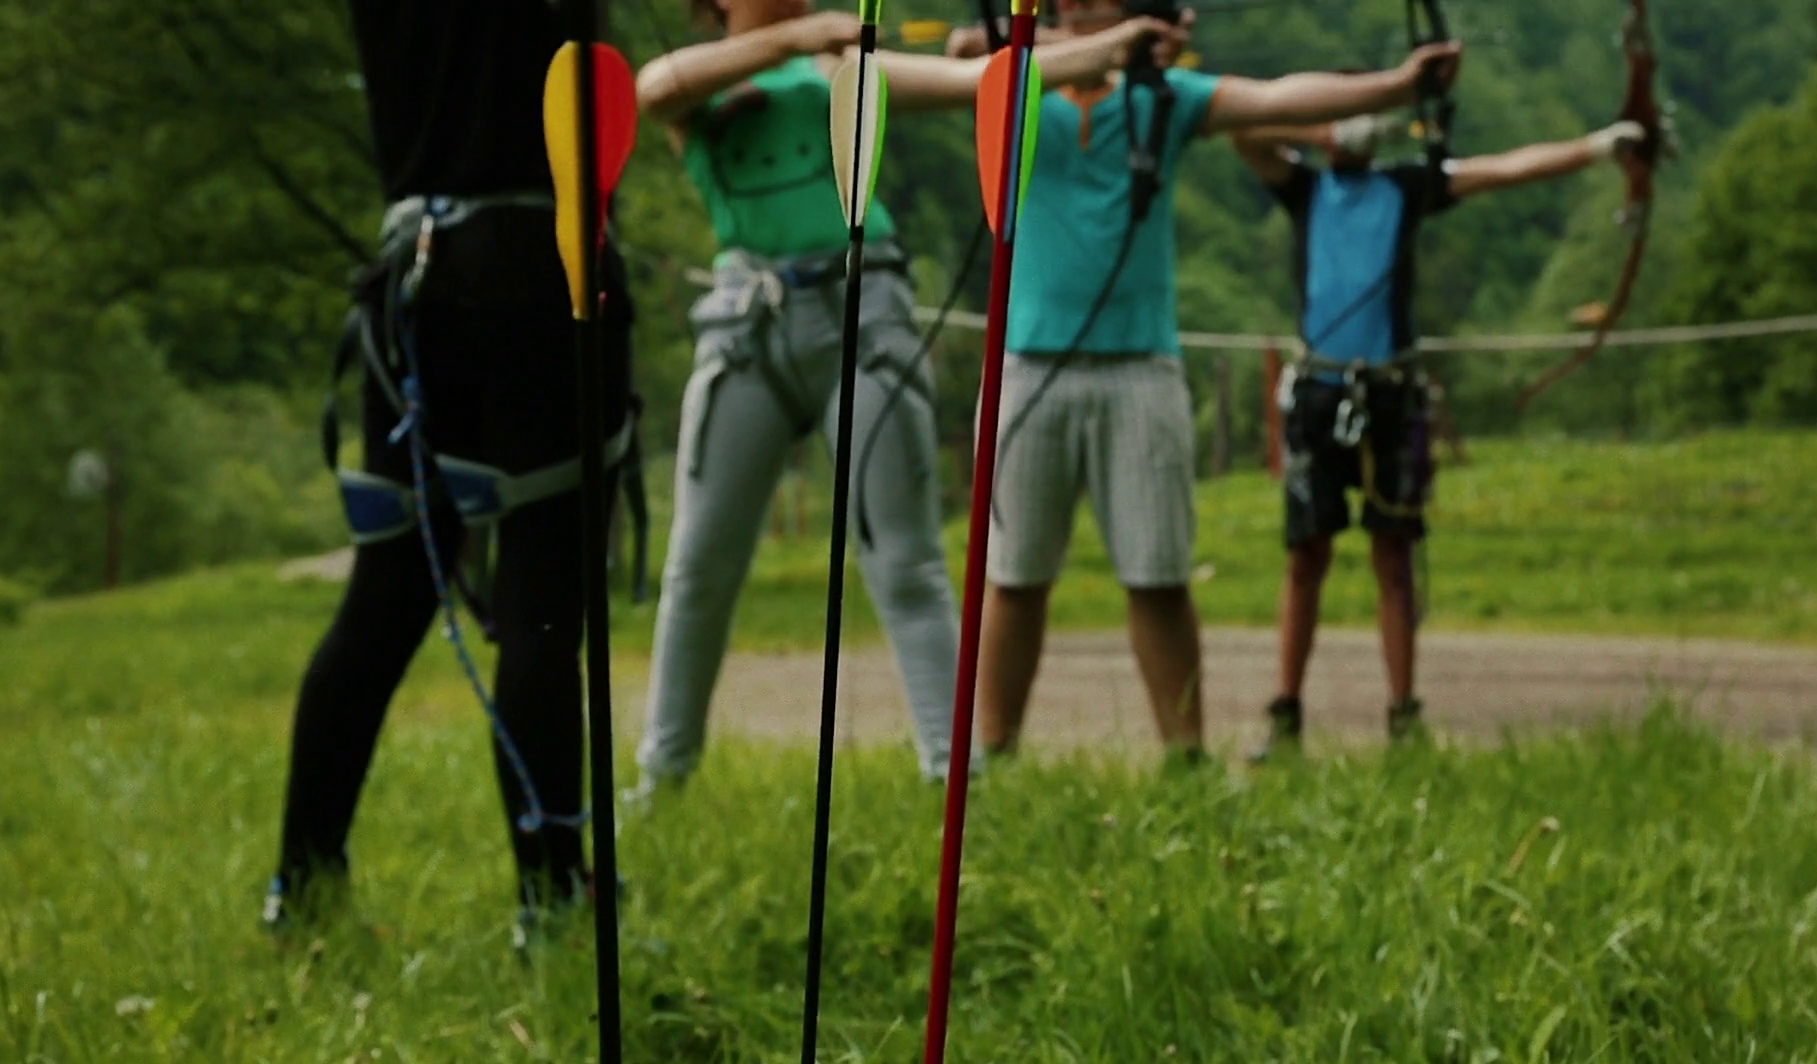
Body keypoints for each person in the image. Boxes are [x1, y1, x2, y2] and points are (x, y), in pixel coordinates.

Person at [630, 0, 1185, 793]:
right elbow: (656, 89)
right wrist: (794, 38)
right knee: (698, 567)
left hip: (864, 317)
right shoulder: (712, 82)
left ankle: (956, 775)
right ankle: (663, 775)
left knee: (906, 560)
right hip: (746, 328)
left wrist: (1112, 46)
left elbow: (985, 82)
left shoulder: (843, 73)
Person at [945, 0, 1461, 765]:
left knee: (1157, 575)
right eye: (1072, 2)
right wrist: (1048, 46)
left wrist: (1395, 87)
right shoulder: (1013, 81)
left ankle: (1186, 763)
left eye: (1106, 1)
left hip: (1142, 366)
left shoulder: (1166, 100)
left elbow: (1279, 99)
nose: (1087, 11)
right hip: (1026, 365)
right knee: (1014, 579)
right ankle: (994, 757)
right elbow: (944, 69)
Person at [264, 0, 637, 944]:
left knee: (385, 597)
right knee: (542, 605)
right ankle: (553, 902)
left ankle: (301, 887)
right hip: (544, 274)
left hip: (416, 278)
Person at [1232, 104, 1650, 758]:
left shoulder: (1407, 186)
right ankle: (1285, 714)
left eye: (1360, 117)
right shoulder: (1304, 187)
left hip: (1391, 391)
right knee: (1305, 554)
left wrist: (1601, 146)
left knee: (1393, 555)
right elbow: (1243, 130)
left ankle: (1403, 716)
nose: (1351, 133)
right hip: (1320, 388)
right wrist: (1320, 131)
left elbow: (1506, 169)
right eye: (1338, 119)